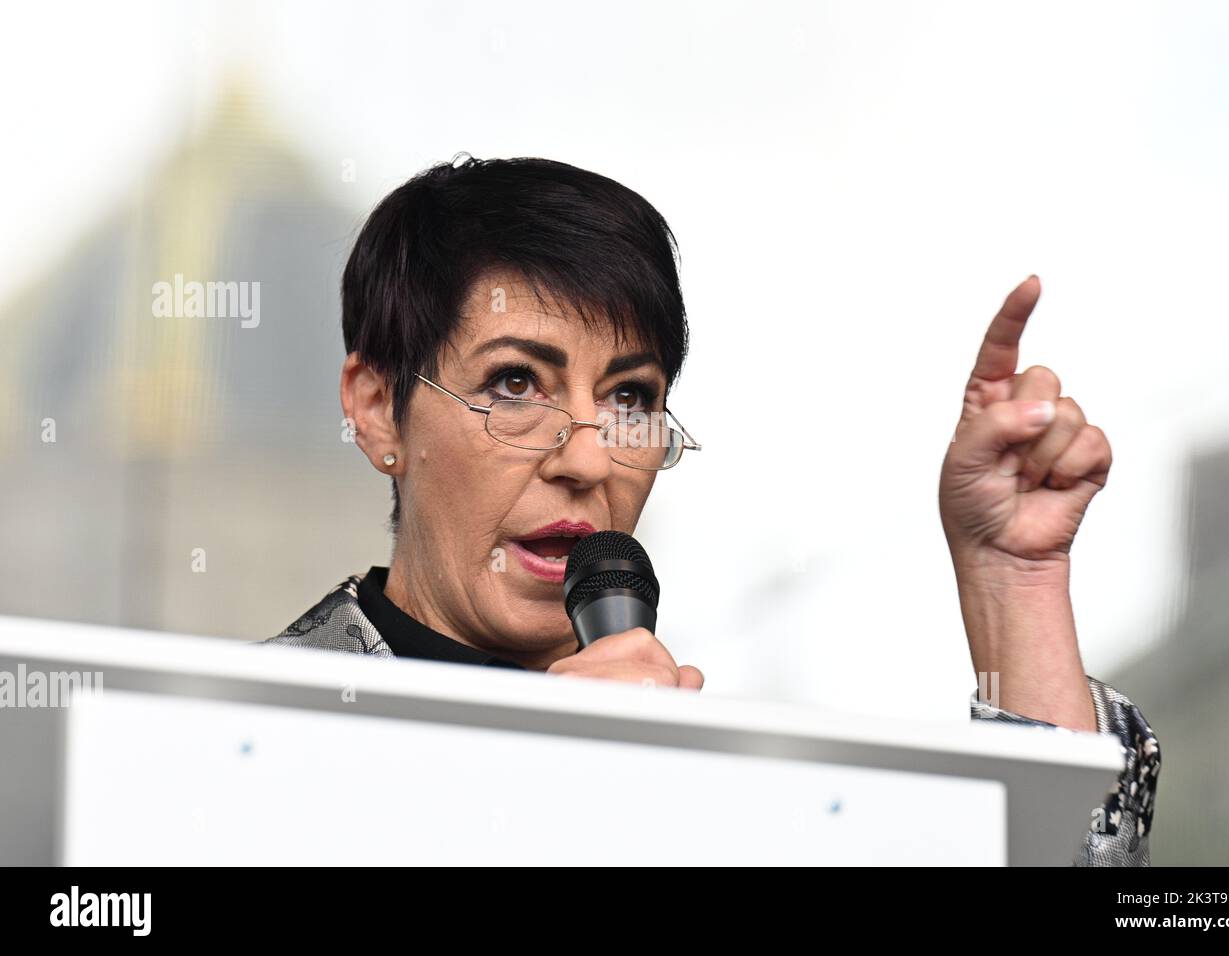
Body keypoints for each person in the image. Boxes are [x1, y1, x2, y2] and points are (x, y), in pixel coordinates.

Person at [261, 155, 1159, 865]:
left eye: (630, 399)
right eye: (514, 383)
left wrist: (1015, 578)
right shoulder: (231, 746)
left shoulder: (741, 787)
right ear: (379, 411)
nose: (586, 457)